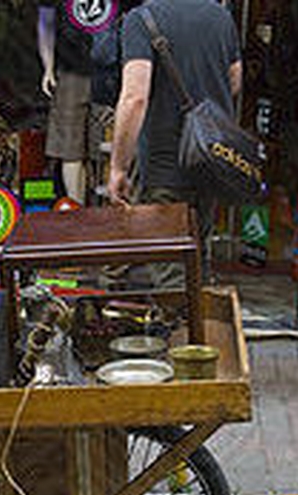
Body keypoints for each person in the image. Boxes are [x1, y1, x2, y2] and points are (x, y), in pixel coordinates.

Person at [108, 0, 240, 285]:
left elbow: (135, 98)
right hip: (210, 158)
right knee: (198, 257)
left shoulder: (141, 20)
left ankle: (180, 326)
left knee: (170, 269)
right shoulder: (221, 17)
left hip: (164, 163)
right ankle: (197, 325)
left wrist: (119, 166)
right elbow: (234, 80)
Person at [36, 0, 125, 204]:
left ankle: (106, 212)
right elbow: (45, 22)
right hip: (70, 73)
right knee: (71, 151)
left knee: (105, 150)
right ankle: (77, 210)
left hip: (110, 75)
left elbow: (135, 20)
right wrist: (48, 67)